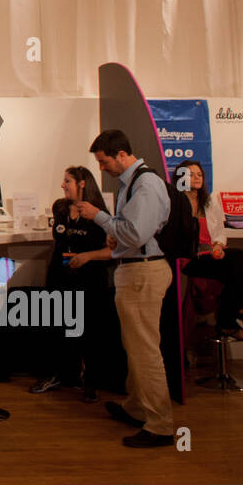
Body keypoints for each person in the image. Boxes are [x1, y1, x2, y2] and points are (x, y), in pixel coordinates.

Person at [78, 129, 174, 449]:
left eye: (104, 162)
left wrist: (100, 217)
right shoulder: (133, 184)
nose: (101, 168)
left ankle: (160, 424)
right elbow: (132, 233)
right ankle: (136, 407)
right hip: (136, 271)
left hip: (142, 273)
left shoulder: (145, 184)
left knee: (145, 351)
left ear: (121, 154)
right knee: (135, 347)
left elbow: (135, 234)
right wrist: (114, 233)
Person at [29, 166, 124, 403]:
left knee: (89, 333)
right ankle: (58, 375)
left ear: (82, 184)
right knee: (55, 329)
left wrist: (87, 257)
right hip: (60, 278)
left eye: (67, 181)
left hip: (89, 281)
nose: (63, 185)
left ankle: (90, 381)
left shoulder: (100, 213)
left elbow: (113, 251)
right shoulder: (60, 208)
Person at [177, 159, 243, 343]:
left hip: (210, 254)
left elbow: (219, 231)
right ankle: (242, 307)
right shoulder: (175, 203)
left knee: (238, 260)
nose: (197, 178)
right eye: (191, 174)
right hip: (190, 258)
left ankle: (231, 318)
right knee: (238, 261)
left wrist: (217, 245)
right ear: (181, 177)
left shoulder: (208, 202)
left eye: (199, 174)